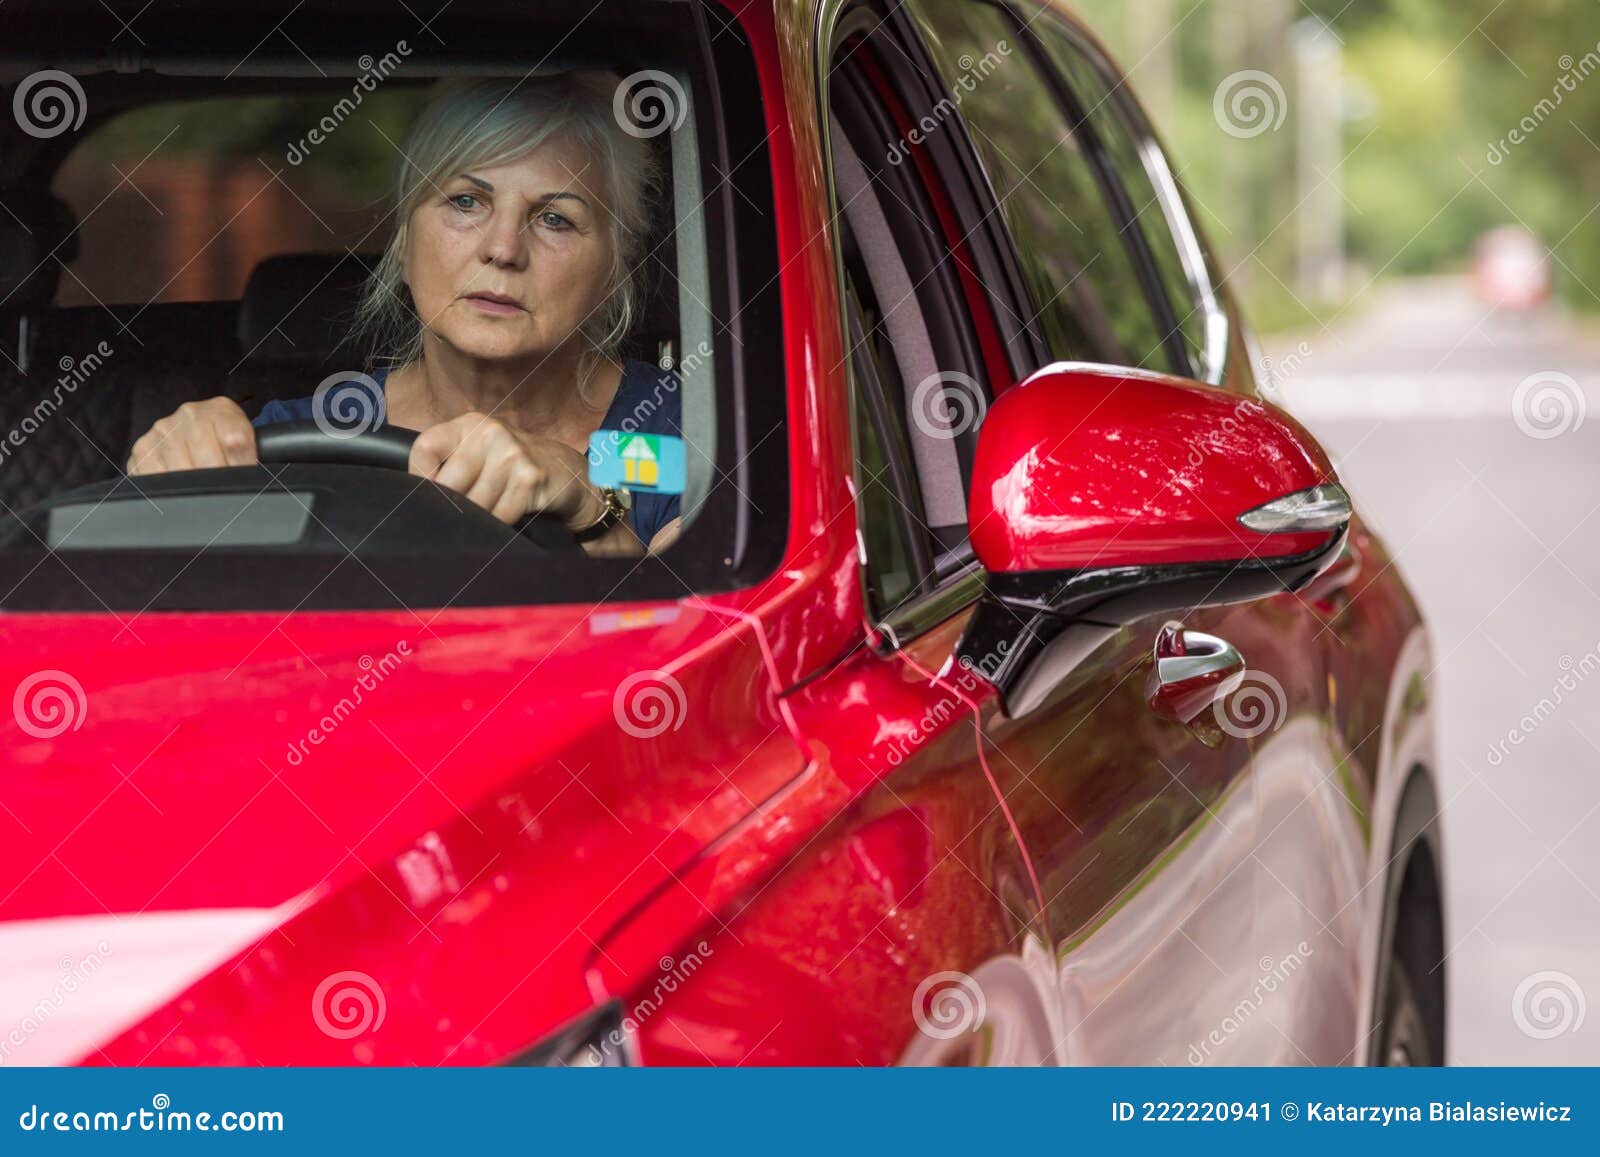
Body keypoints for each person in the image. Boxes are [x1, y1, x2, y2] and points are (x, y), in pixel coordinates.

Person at [127, 73, 682, 556]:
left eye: (556, 218)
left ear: (614, 274)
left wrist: (593, 510)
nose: (503, 248)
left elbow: (703, 641)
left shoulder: (692, 435)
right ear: (403, 246)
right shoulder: (292, 441)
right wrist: (171, 478)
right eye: (467, 202)